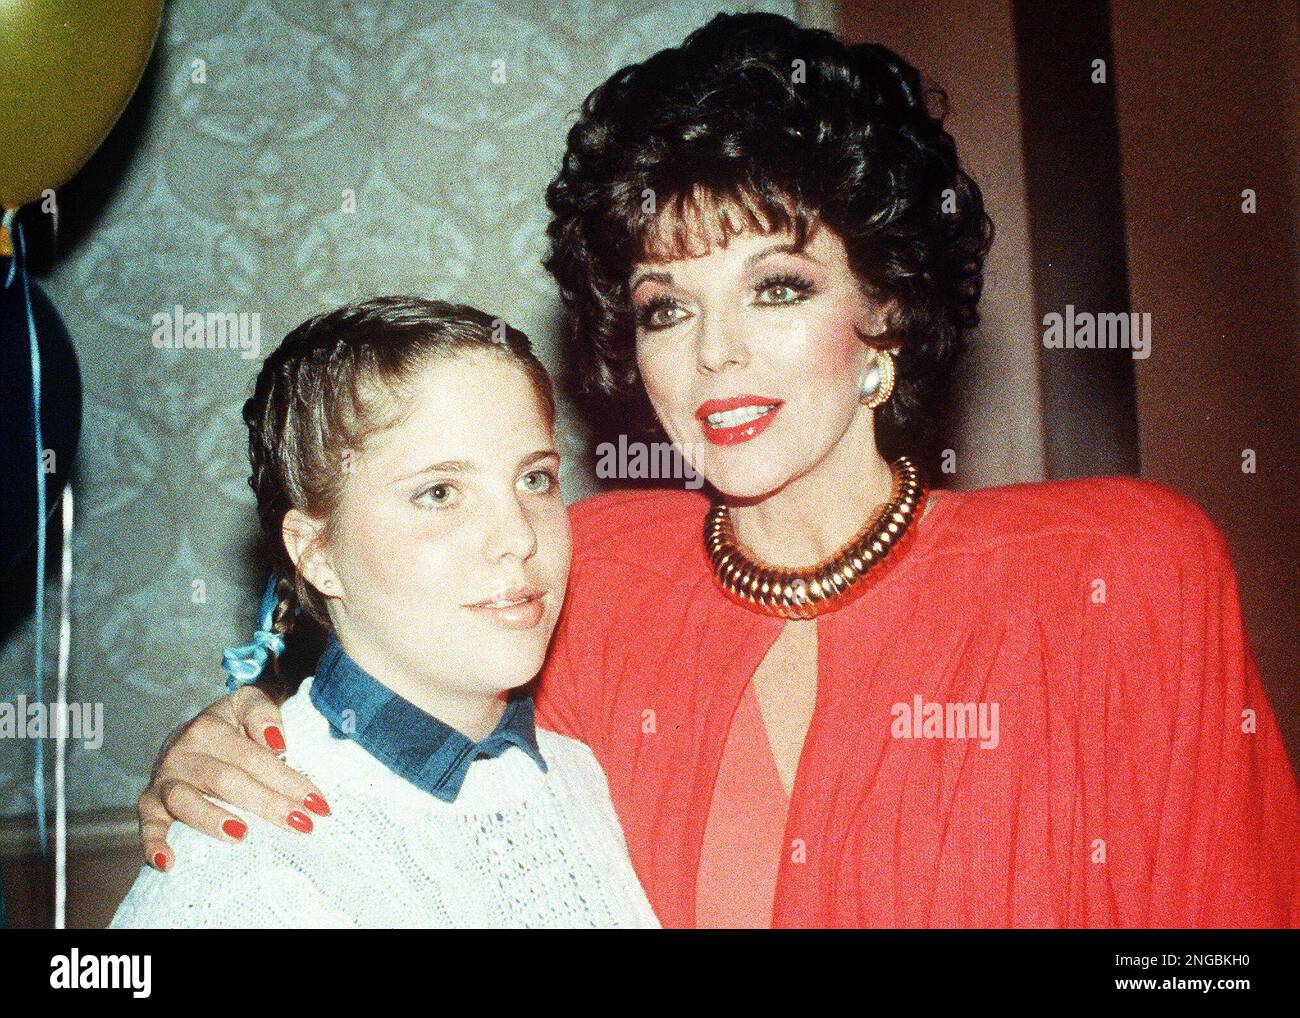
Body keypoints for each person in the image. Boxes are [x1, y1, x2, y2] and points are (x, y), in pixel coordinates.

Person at [133, 13, 1298, 927]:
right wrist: (231, 731)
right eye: (664, 306)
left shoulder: (1116, 572)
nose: (715, 352)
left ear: (884, 305)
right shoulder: (580, 578)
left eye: (777, 287)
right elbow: (379, 703)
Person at [112, 297, 658, 928]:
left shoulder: (578, 775)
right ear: (318, 554)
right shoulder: (249, 851)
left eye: (534, 479)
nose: (518, 535)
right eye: (440, 492)